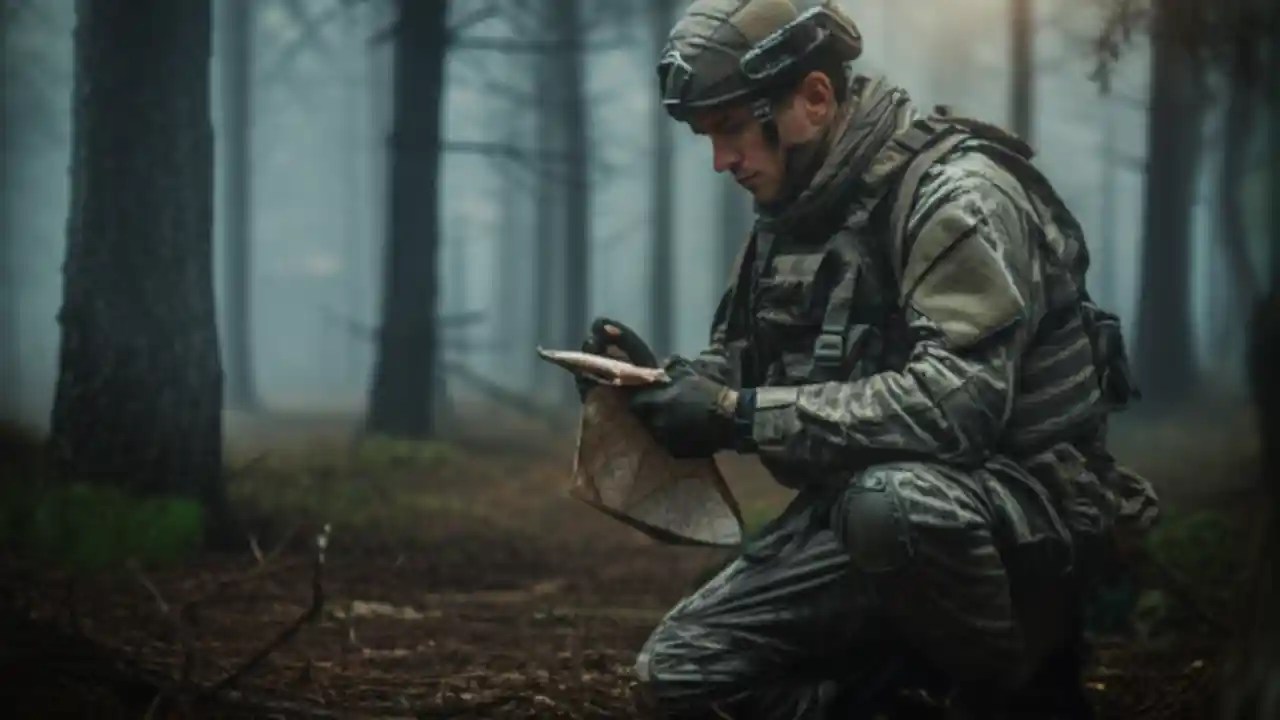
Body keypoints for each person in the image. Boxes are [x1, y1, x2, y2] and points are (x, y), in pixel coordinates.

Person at [578, 1, 1158, 717]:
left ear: (815, 98)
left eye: (732, 128)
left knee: (891, 505)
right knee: (682, 679)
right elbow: (747, 371)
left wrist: (736, 416)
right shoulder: (795, 212)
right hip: (863, 522)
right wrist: (665, 389)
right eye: (708, 135)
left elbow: (961, 407)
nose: (722, 160)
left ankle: (1025, 696)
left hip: (1017, 521)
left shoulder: (956, 194)